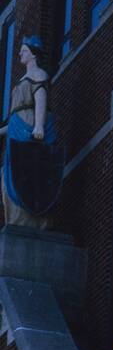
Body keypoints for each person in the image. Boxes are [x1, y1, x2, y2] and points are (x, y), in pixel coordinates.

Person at [0, 36, 59, 230]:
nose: (20, 54)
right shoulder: (23, 79)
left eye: (23, 51)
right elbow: (16, 115)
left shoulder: (39, 75)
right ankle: (16, 220)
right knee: (10, 173)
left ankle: (31, 221)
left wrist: (39, 126)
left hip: (29, 127)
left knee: (27, 171)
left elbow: (40, 98)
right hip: (17, 128)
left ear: (33, 54)